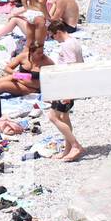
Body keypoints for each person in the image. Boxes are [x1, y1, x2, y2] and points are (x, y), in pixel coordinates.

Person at [46, 21, 85, 162]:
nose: (53, 39)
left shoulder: (67, 45)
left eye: (52, 36)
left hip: (65, 86)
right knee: (64, 117)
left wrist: (68, 92)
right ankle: (67, 149)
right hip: (69, 85)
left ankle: (75, 145)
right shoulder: (74, 41)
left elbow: (71, 67)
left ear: (58, 32)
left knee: (53, 116)